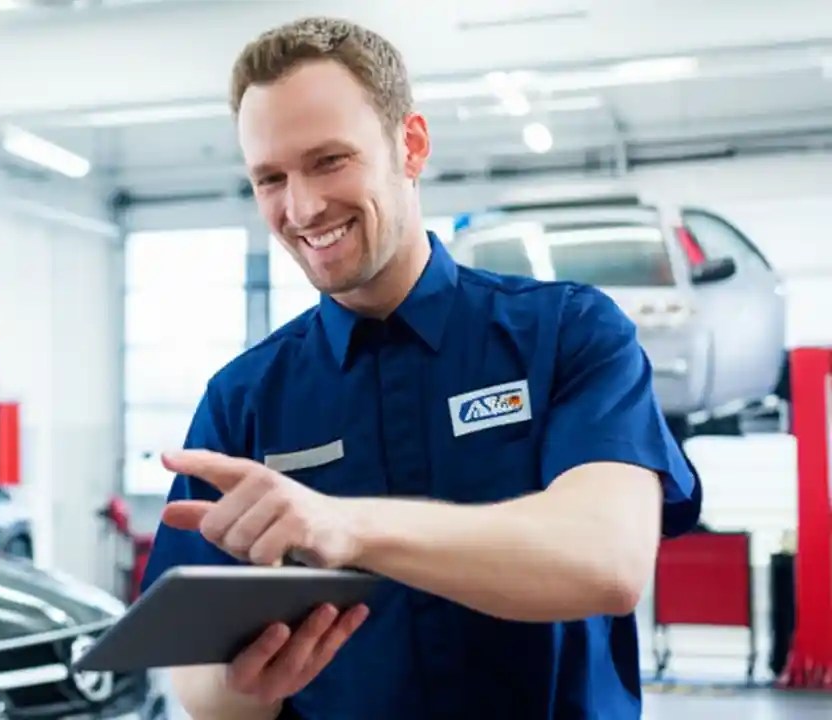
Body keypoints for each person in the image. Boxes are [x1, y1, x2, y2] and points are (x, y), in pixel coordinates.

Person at [141, 16, 702, 720]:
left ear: (410, 146)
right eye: (270, 178)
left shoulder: (567, 334)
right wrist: (248, 685)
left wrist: (348, 529)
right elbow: (198, 682)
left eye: (329, 161)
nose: (303, 207)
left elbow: (606, 561)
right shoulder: (244, 398)